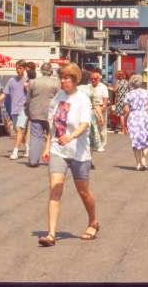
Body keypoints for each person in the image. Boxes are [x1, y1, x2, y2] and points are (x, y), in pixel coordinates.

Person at [39, 63, 98, 246]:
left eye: (66, 78)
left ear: (74, 80)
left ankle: (93, 221)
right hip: (59, 150)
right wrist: (47, 147)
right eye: (62, 78)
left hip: (79, 152)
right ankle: (51, 234)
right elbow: (52, 125)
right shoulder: (57, 98)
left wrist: (71, 136)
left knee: (83, 191)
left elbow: (84, 124)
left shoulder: (82, 99)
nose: (63, 81)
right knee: (56, 188)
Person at [122, 74, 148, 171]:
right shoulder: (146, 93)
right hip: (144, 117)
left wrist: (124, 119)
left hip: (133, 117)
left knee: (136, 141)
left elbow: (126, 110)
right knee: (146, 139)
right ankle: (143, 158)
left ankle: (138, 163)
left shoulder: (129, 94)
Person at [26, 62, 60, 167]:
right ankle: (55, 159)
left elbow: (28, 99)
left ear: (41, 71)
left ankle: (33, 160)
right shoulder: (56, 83)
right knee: (53, 136)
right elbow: (59, 98)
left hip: (35, 112)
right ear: (51, 71)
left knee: (36, 136)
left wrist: (28, 110)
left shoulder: (32, 82)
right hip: (51, 113)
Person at [0, 61, 30, 160]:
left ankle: (15, 152)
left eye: (20, 68)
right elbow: (5, 93)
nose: (18, 70)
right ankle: (28, 148)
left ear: (24, 69)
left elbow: (31, 94)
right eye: (17, 68)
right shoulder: (11, 81)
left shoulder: (28, 80)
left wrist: (26, 85)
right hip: (14, 109)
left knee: (19, 130)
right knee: (18, 131)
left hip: (23, 109)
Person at [88, 69, 109, 151]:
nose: (93, 80)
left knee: (101, 127)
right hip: (90, 109)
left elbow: (105, 101)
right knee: (92, 128)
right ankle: (94, 144)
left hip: (100, 108)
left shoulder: (103, 87)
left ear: (99, 79)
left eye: (95, 79)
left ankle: (102, 144)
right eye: (92, 78)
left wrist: (101, 110)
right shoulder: (88, 87)